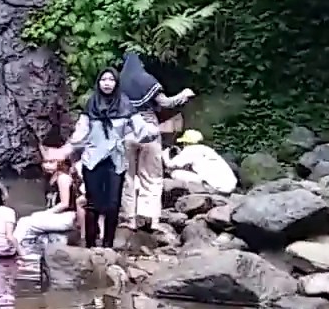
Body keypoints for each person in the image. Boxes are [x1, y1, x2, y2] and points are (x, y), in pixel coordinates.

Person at [67, 67, 160, 248]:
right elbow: (81, 131)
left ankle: (108, 245)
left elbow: (140, 128)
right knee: (92, 204)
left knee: (113, 204)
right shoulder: (91, 104)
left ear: (116, 83)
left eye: (111, 80)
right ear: (99, 83)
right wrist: (70, 145)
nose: (107, 83)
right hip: (92, 160)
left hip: (116, 160)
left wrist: (152, 132)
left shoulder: (125, 104)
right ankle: (90, 244)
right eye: (104, 80)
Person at [118, 52, 194, 230]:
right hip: (149, 131)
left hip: (126, 133)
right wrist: (184, 95)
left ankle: (130, 219)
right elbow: (166, 103)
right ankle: (152, 220)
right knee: (152, 176)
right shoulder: (147, 80)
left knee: (127, 178)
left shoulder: (118, 83)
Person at [14, 156, 84, 256]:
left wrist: (45, 213)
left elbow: (65, 204)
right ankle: (28, 250)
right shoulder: (51, 177)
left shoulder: (63, 178)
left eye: (51, 162)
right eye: (45, 162)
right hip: (57, 216)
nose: (46, 165)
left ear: (60, 162)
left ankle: (13, 248)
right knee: (30, 221)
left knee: (25, 222)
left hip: (67, 216)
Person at [164, 129, 237, 195]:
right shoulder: (207, 149)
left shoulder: (190, 150)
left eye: (183, 143)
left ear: (186, 142)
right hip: (230, 187)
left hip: (214, 187)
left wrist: (164, 153)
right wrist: (181, 153)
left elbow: (170, 164)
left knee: (175, 173)